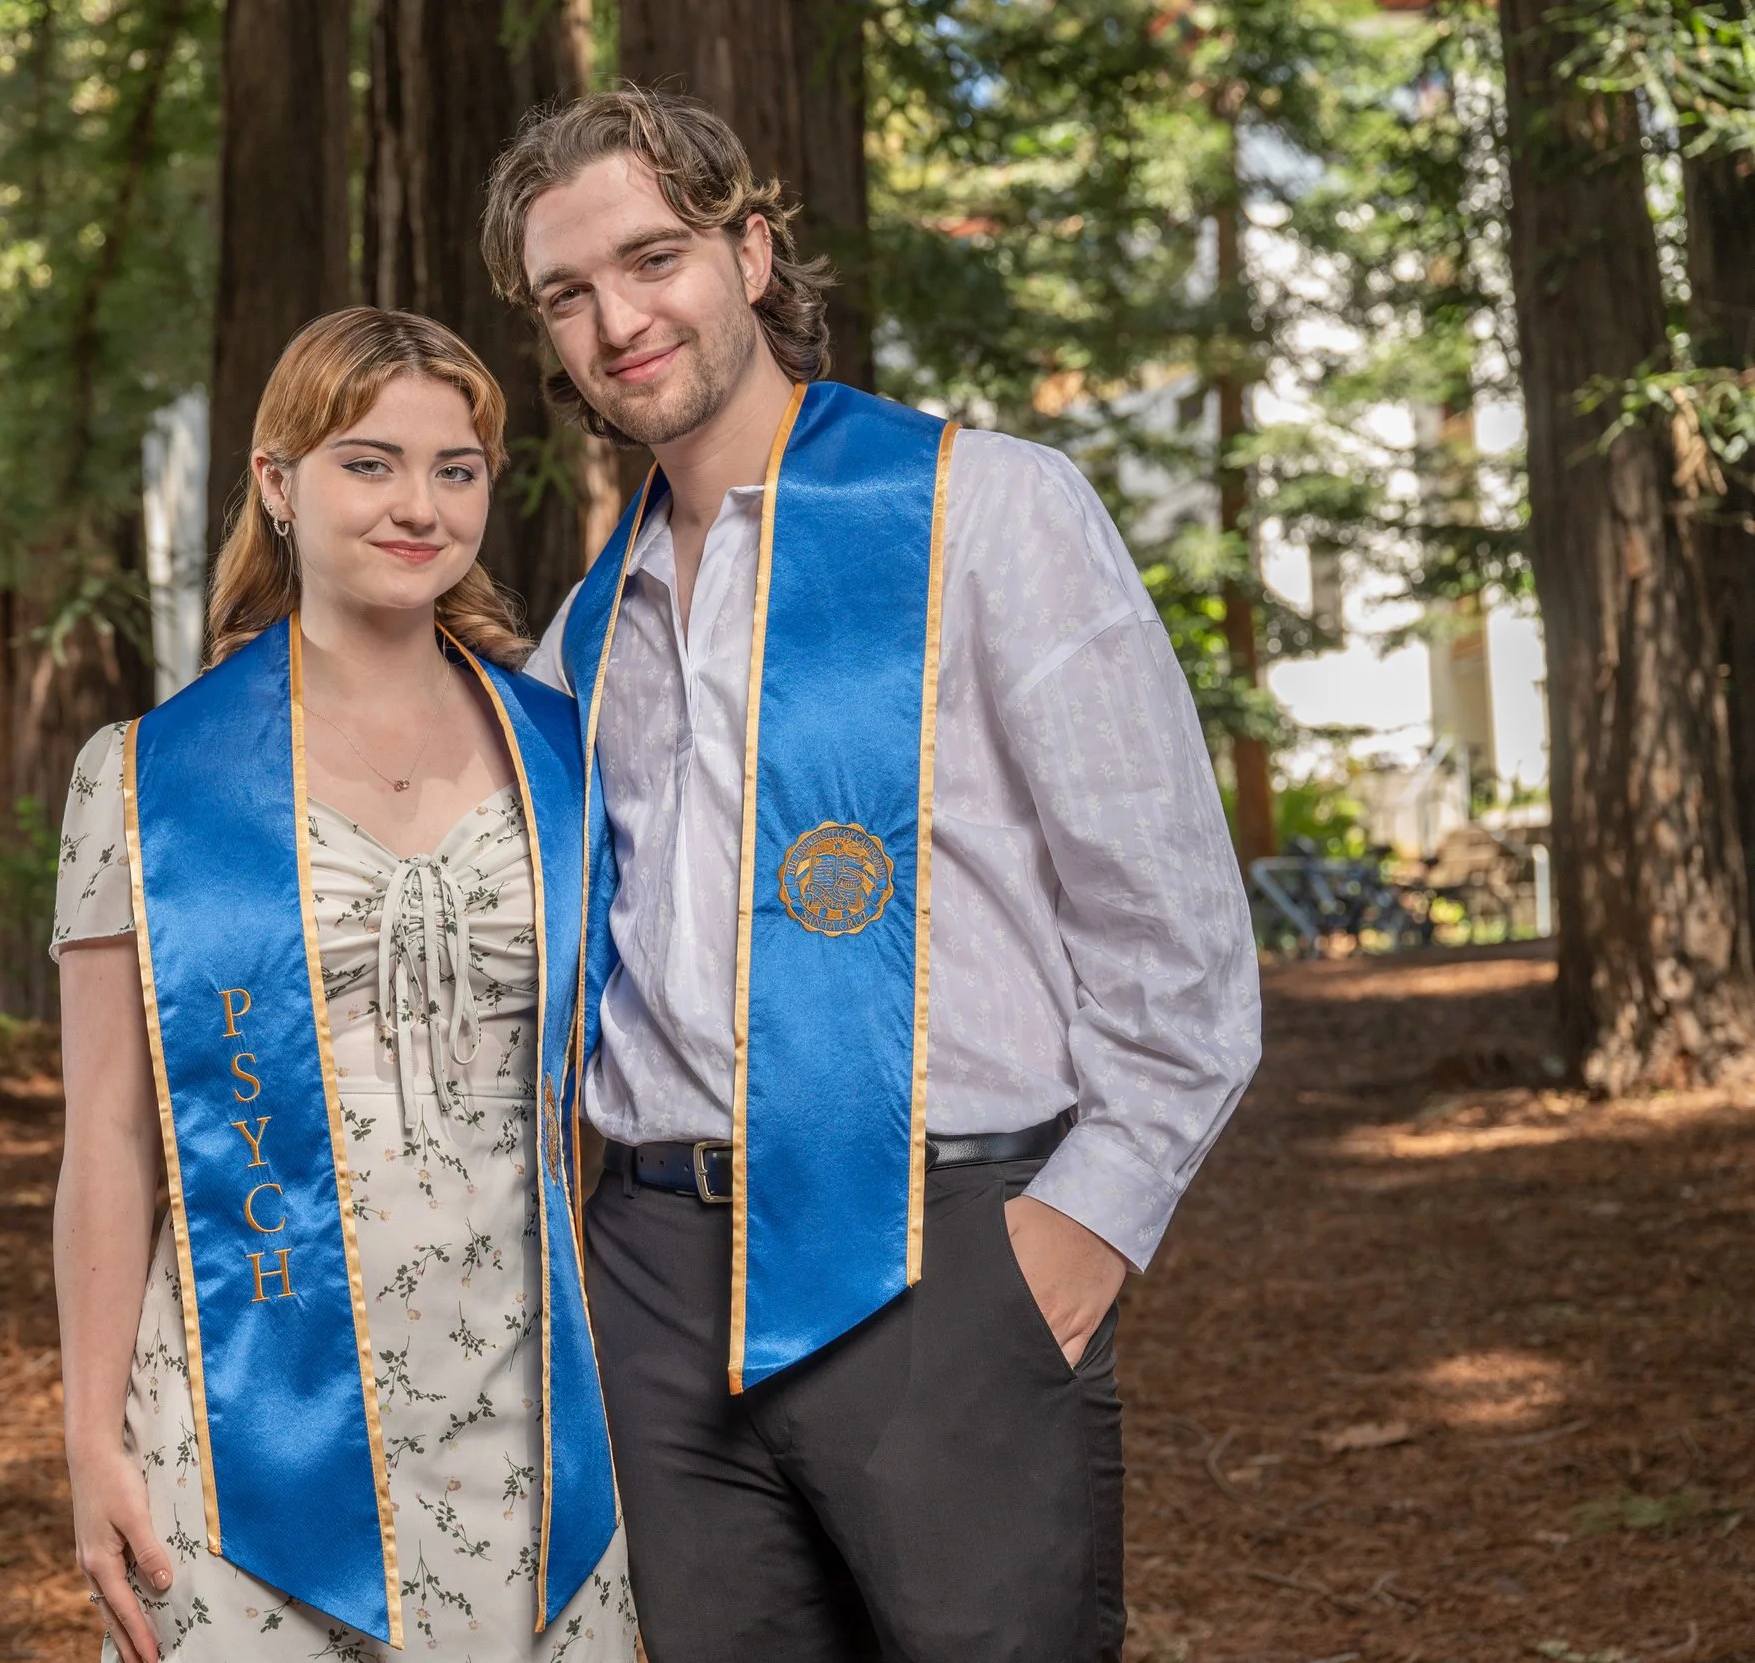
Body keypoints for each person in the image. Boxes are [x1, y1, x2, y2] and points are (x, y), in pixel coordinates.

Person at [480, 90, 1263, 1661]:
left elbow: (1174, 936)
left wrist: (1076, 1235)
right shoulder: (587, 627)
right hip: (654, 1283)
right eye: (568, 294)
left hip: (941, 1256)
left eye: (653, 257)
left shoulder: (990, 511)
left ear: (753, 252)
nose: (617, 319)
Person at [46, 307, 636, 1663]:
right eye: (369, 463)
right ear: (276, 481)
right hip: (248, 1413)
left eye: (456, 467)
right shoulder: (146, 782)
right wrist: (90, 1442)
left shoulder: (566, 753)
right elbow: (109, 1139)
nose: (418, 506)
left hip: (525, 1408)